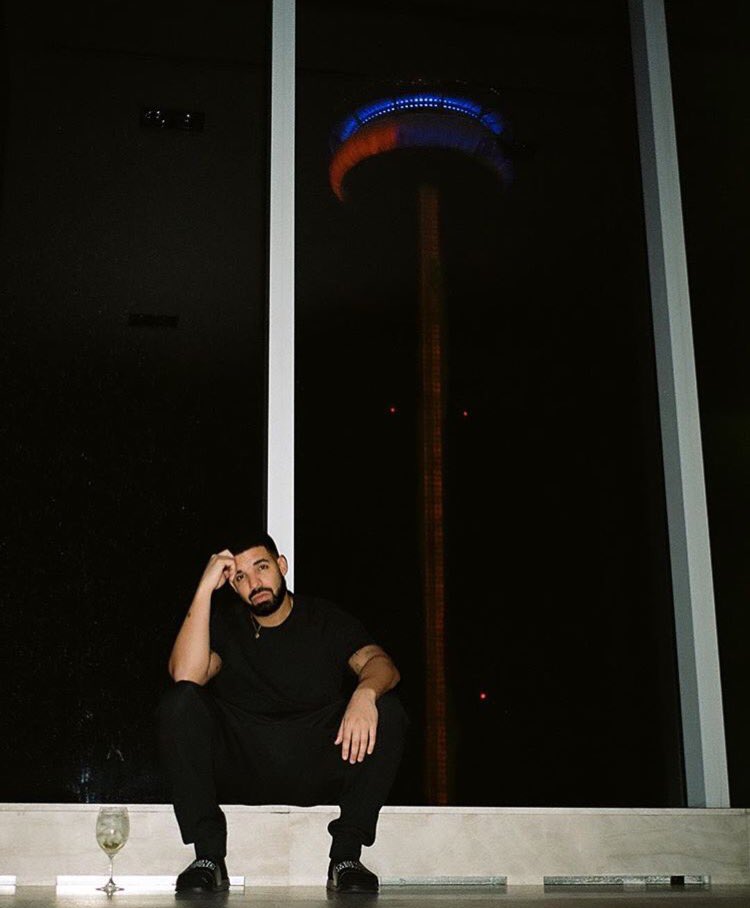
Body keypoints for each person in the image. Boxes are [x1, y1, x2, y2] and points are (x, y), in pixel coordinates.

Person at [157, 531, 408, 896]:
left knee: (387, 709)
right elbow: (185, 675)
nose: (254, 582)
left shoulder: (324, 619)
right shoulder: (226, 626)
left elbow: (381, 663)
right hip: (245, 761)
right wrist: (204, 589)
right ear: (232, 585)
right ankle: (208, 858)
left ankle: (346, 858)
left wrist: (365, 694)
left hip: (316, 759)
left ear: (281, 566)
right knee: (180, 703)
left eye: (261, 567)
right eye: (240, 577)